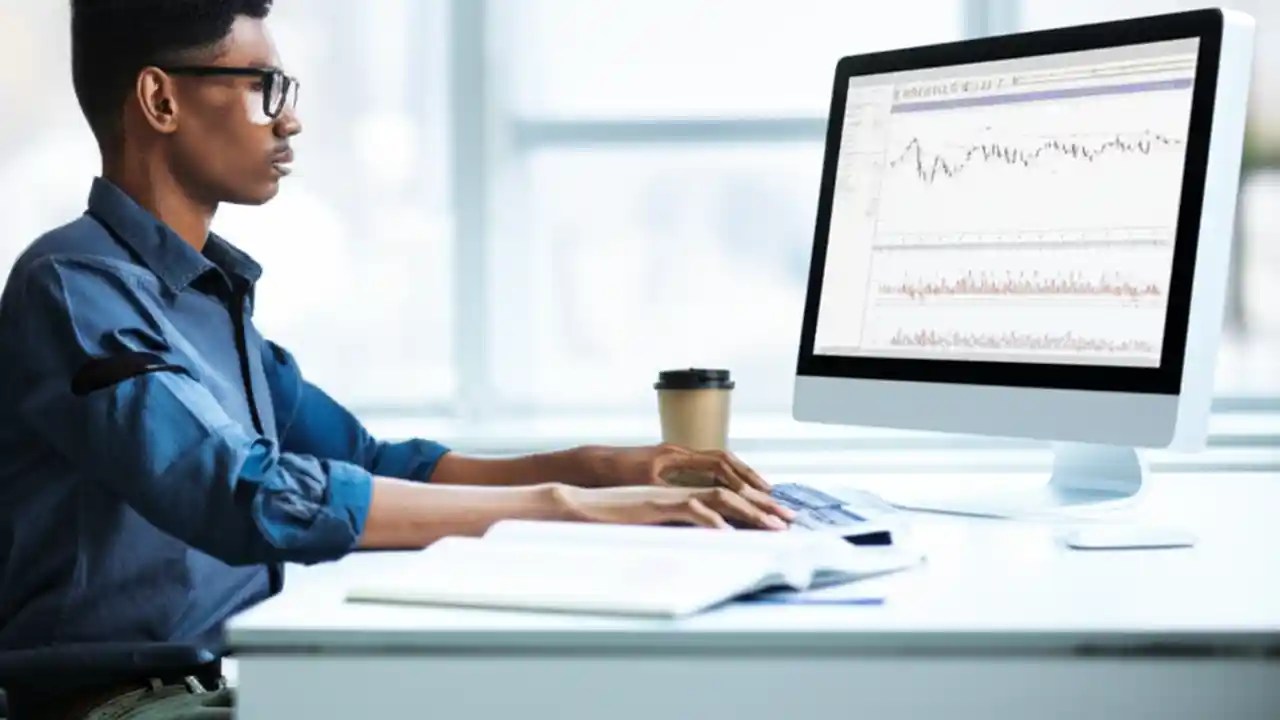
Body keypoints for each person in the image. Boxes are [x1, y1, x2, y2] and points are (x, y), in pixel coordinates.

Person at [0, 2, 794, 718]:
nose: (290, 121)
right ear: (161, 100)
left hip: (218, 689)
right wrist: (565, 509)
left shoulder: (206, 304)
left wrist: (602, 470)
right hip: (116, 707)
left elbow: (370, 463)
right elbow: (241, 494)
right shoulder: (74, 289)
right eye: (264, 88)